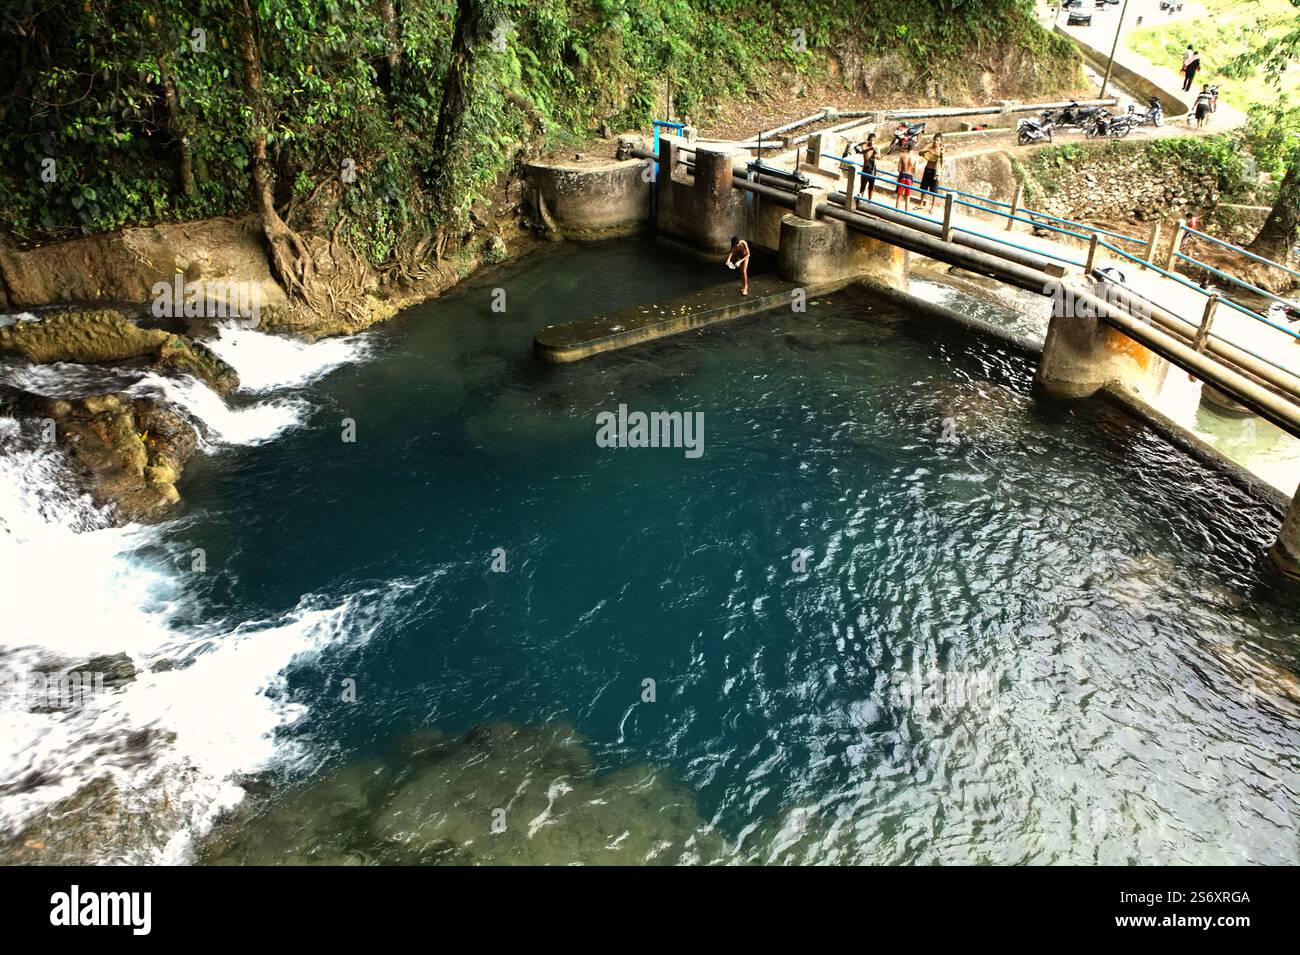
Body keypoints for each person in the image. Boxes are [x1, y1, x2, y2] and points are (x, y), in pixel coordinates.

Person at [918, 133, 944, 212]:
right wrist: (927, 150)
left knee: (934, 190)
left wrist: (939, 172)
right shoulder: (930, 146)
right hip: (928, 168)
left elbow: (942, 162)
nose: (935, 141)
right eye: (935, 139)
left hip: (935, 171)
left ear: (940, 141)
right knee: (924, 187)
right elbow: (920, 153)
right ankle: (921, 203)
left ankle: (933, 207)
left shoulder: (941, 149)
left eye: (937, 140)